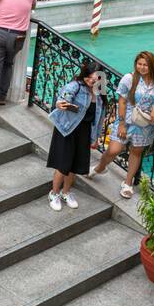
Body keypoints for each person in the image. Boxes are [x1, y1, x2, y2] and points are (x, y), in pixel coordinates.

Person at [93, 50, 154, 198]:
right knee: (113, 150)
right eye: (139, 64)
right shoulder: (129, 79)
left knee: (136, 152)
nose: (142, 67)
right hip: (127, 120)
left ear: (152, 66)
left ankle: (128, 183)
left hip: (145, 124)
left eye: (146, 65)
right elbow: (122, 101)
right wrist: (122, 124)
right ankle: (100, 167)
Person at [46, 60, 105, 212]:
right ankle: (54, 193)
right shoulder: (76, 86)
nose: (91, 80)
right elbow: (64, 97)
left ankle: (66, 192)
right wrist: (61, 103)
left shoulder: (99, 95)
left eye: (96, 78)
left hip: (84, 133)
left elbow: (99, 118)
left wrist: (96, 137)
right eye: (89, 76)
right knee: (63, 164)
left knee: (74, 165)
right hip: (67, 130)